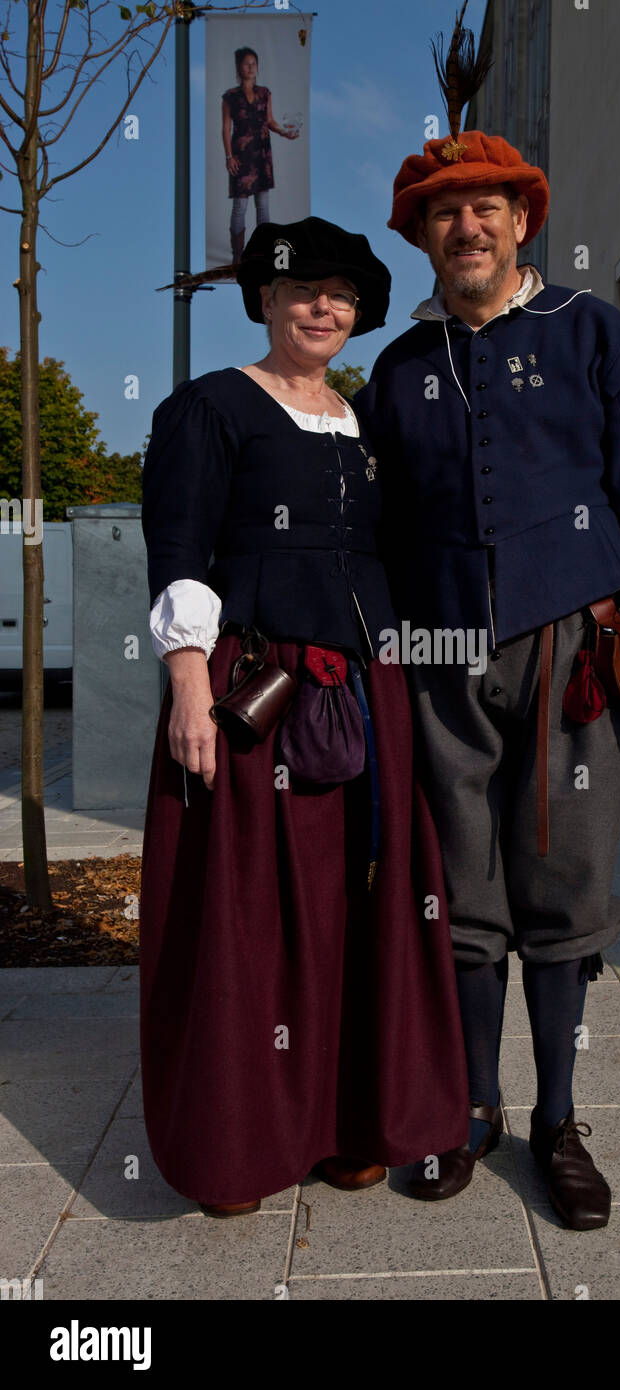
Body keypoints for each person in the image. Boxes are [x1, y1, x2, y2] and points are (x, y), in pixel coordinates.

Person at [353, 123, 620, 1230]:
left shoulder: (592, 334)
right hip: (440, 664)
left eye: (485, 208)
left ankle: (557, 1121)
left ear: (520, 221)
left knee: (562, 897)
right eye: (444, 213)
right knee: (461, 897)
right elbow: (369, 531)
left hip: (578, 658)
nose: (467, 225)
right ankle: (470, 1111)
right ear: (422, 236)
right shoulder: (398, 369)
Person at [138, 217, 469, 1217]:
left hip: (366, 693)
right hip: (255, 694)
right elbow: (181, 545)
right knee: (250, 917)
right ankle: (239, 1141)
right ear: (267, 303)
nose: (321, 307)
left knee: (351, 911)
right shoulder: (210, 408)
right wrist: (188, 684)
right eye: (301, 292)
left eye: (338, 294)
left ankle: (339, 1125)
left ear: (356, 311)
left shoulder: (362, 424)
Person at [222, 47, 299, 263]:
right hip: (241, 155)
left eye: (253, 63)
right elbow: (225, 128)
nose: (250, 67)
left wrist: (285, 132)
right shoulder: (230, 96)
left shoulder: (264, 93)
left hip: (262, 154)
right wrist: (229, 156)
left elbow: (270, 120)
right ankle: (237, 255)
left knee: (263, 206)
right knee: (240, 207)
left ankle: (263, 251)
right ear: (239, 67)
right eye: (246, 63)